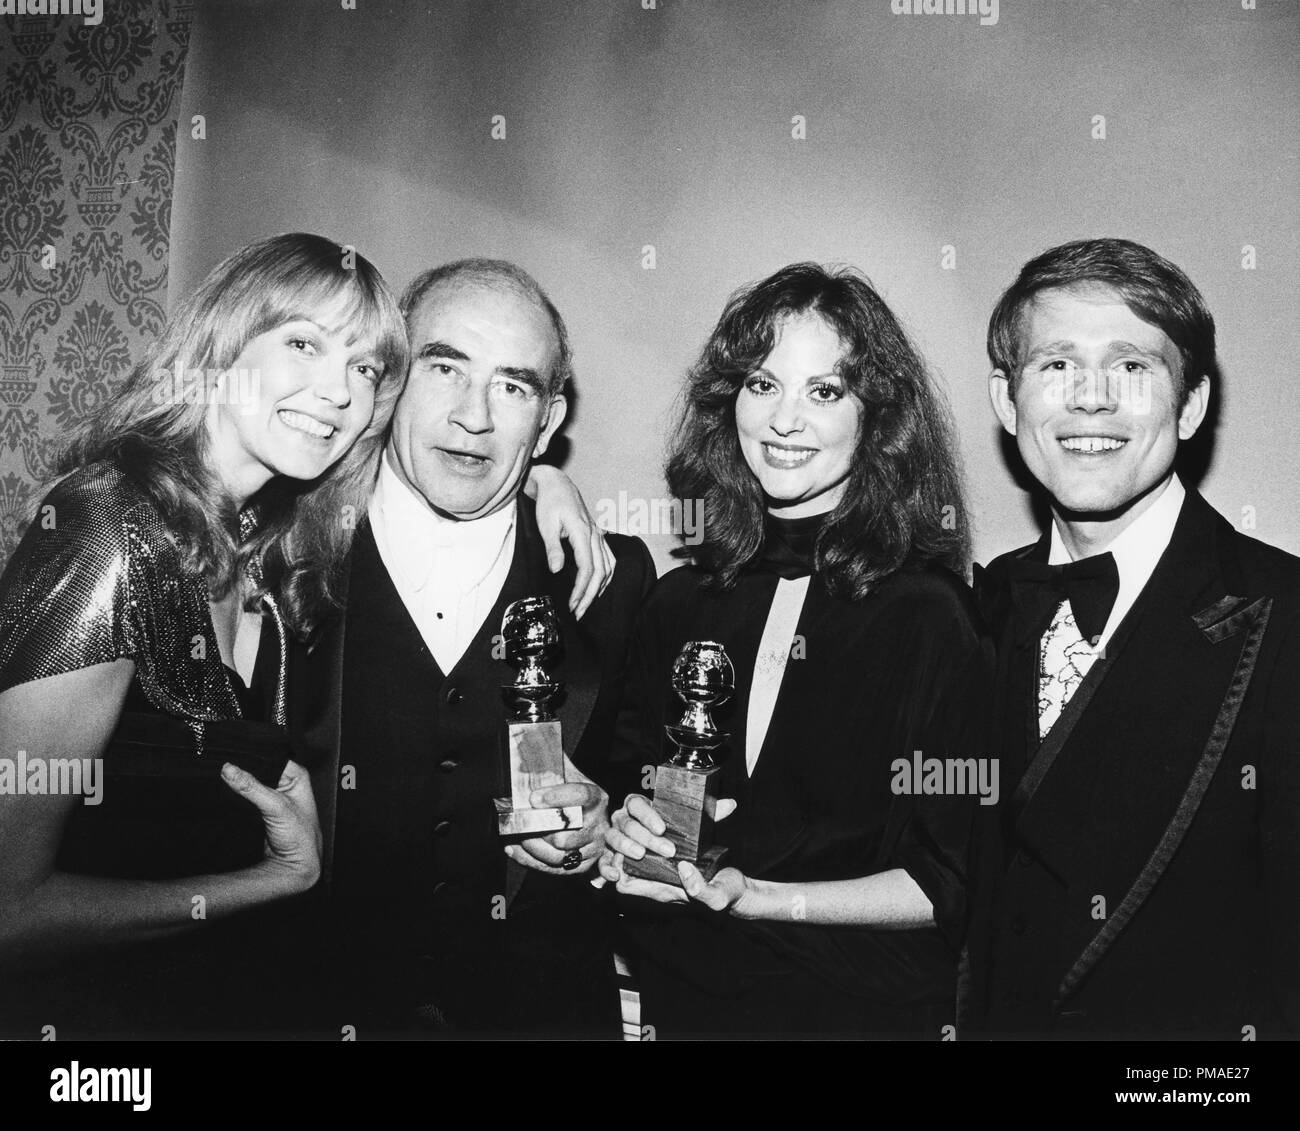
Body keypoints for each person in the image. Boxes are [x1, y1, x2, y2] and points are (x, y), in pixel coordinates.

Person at [0, 232, 408, 1037]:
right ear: (222, 345)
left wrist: (538, 472)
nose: (339, 391)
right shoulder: (110, 529)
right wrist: (277, 878)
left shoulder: (271, 547)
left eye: (365, 368)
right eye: (303, 343)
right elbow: (7, 912)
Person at [600, 263, 993, 1038]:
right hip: (690, 1004)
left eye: (824, 391)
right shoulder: (678, 600)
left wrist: (763, 897)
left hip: (854, 1015)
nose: (784, 420)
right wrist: (629, 835)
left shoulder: (933, 615)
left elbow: (948, 882)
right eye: (761, 384)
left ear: (876, 418)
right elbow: (635, 787)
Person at [297, 258, 653, 1038]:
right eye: (446, 368)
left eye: (513, 386)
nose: (475, 417)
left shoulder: (614, 580)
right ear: (391, 379)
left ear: (549, 420)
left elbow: (646, 790)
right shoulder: (289, 552)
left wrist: (607, 827)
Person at [966, 237, 1300, 1038]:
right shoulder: (975, 606)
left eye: (1131, 367)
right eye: (1055, 366)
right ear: (1008, 403)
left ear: (1189, 406)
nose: (1090, 399)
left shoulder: (1286, 617)